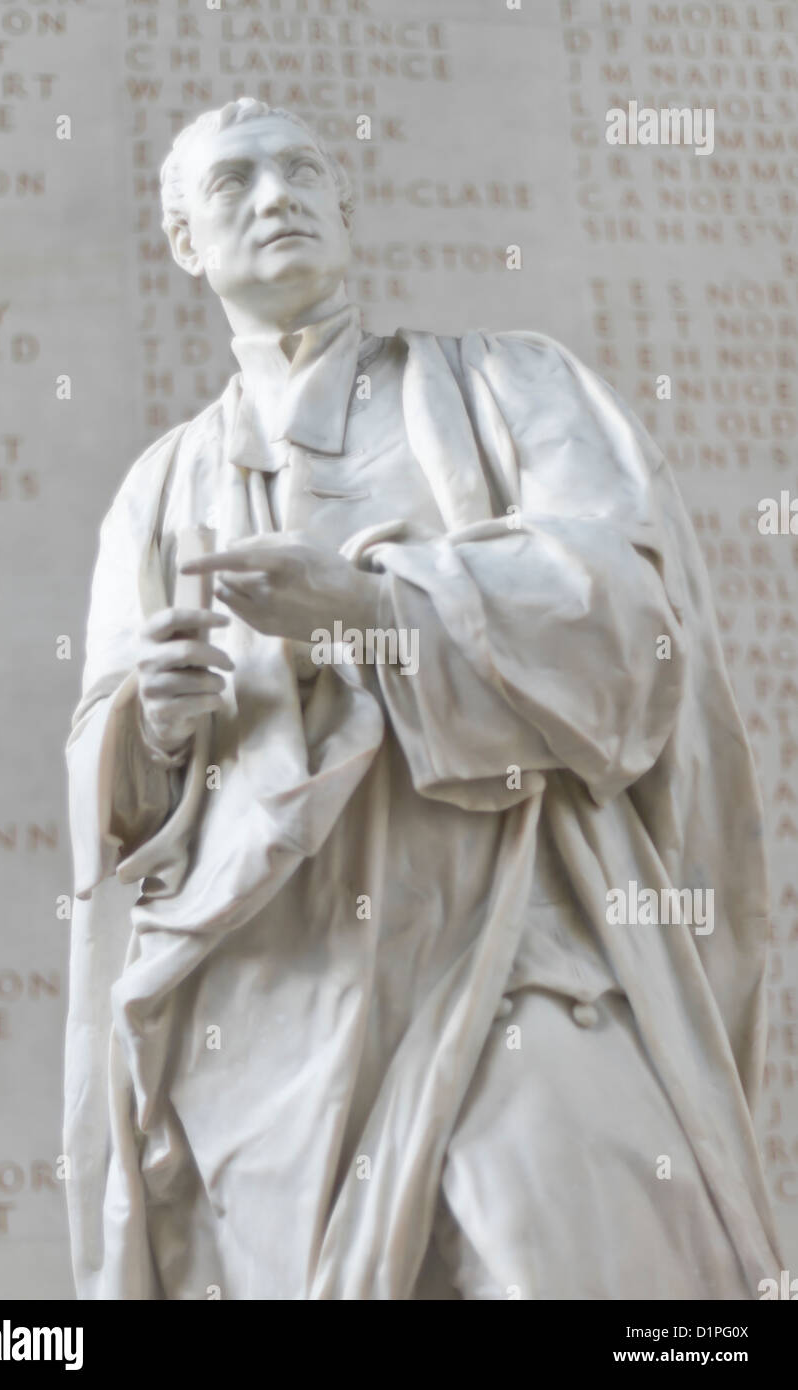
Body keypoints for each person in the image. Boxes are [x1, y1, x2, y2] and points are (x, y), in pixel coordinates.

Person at [64, 97, 782, 1300]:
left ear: (345, 207)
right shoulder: (159, 490)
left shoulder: (511, 387)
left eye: (301, 170)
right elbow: (114, 787)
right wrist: (158, 721)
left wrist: (367, 603)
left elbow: (631, 634)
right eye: (234, 182)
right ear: (186, 242)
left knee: (598, 1263)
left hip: (519, 947)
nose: (276, 195)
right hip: (272, 1007)